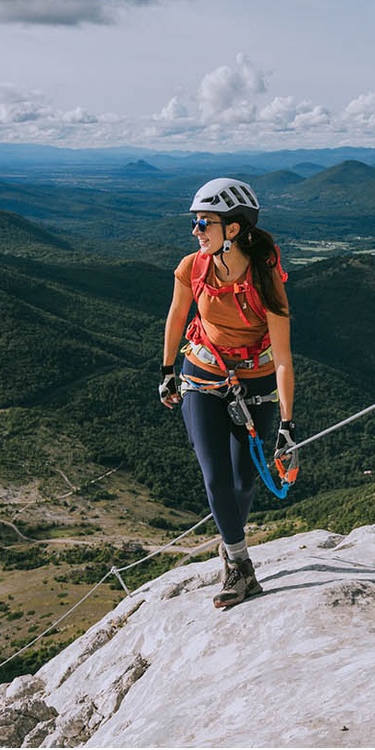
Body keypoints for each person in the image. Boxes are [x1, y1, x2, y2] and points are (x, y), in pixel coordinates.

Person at [157, 178, 297, 611]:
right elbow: (177, 315)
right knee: (215, 475)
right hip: (202, 373)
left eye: (204, 223)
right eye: (196, 222)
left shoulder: (266, 277)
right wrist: (166, 371)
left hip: (255, 383)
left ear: (232, 230)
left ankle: (229, 543)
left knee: (242, 482)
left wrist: (288, 426)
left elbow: (284, 358)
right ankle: (239, 565)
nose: (196, 230)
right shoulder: (192, 267)